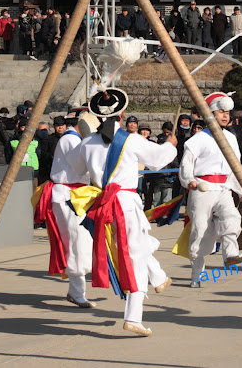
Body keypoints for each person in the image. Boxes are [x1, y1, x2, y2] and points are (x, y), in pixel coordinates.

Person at [69, 87, 176, 336]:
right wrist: (171, 145)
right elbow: (159, 160)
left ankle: (158, 276)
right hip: (125, 203)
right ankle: (134, 316)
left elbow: (77, 170)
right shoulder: (130, 139)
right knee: (134, 254)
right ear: (122, 113)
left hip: (102, 204)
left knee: (131, 247)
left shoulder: (87, 142)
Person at [178, 92, 242, 288]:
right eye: (220, 111)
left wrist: (241, 190)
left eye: (227, 112)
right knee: (200, 230)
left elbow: (235, 167)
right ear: (211, 113)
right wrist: (189, 180)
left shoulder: (231, 139)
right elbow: (186, 164)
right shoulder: (198, 139)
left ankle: (231, 254)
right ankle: (196, 274)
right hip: (202, 189)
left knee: (231, 217)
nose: (225, 115)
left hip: (224, 188)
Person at [32, 114, 95, 308]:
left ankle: (76, 291)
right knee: (77, 242)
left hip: (77, 195)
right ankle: (77, 292)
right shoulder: (70, 139)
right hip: (68, 195)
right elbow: (82, 166)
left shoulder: (75, 140)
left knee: (81, 242)